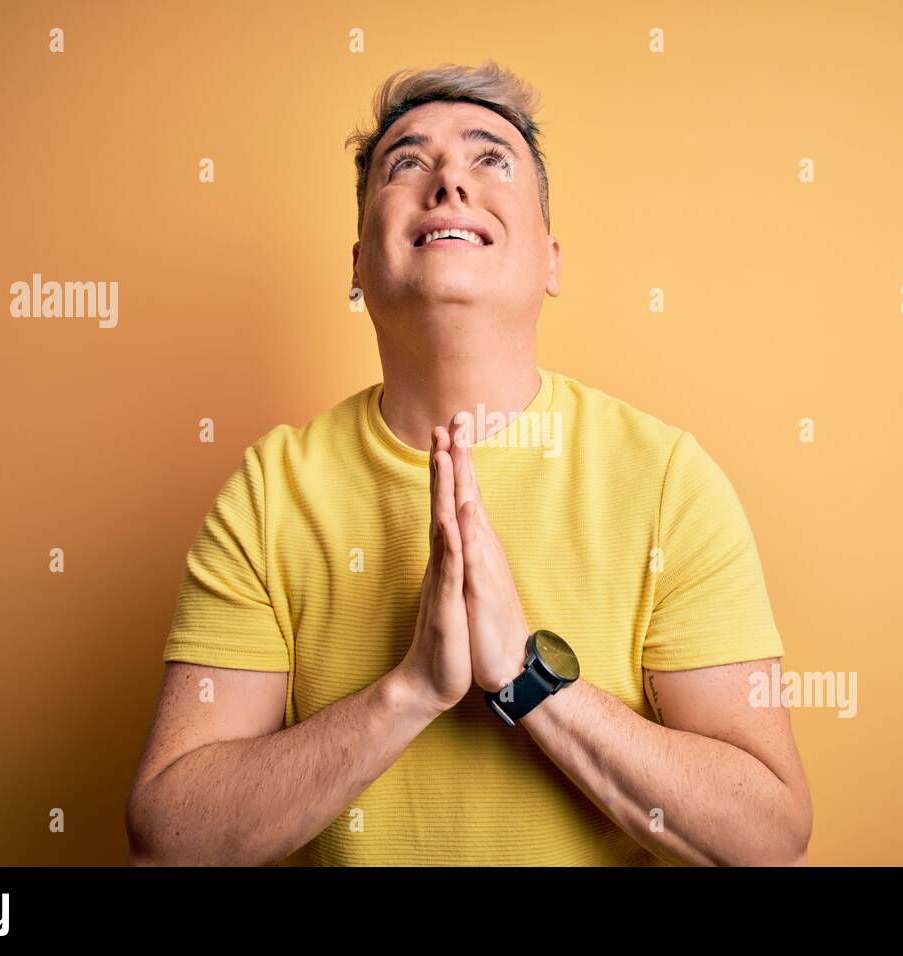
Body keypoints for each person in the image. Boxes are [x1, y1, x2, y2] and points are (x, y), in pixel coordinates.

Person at [125, 60, 812, 866]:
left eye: (490, 158)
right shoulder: (269, 493)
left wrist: (528, 681)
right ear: (356, 267)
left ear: (552, 260)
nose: (448, 179)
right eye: (406, 163)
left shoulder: (666, 480)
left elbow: (770, 842)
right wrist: (411, 689)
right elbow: (167, 842)